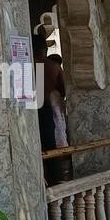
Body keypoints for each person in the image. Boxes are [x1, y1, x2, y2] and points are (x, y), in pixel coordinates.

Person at [37, 50, 72, 185]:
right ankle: (56, 179)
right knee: (52, 146)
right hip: (46, 109)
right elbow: (64, 88)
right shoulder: (51, 66)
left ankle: (51, 179)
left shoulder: (34, 66)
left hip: (39, 109)